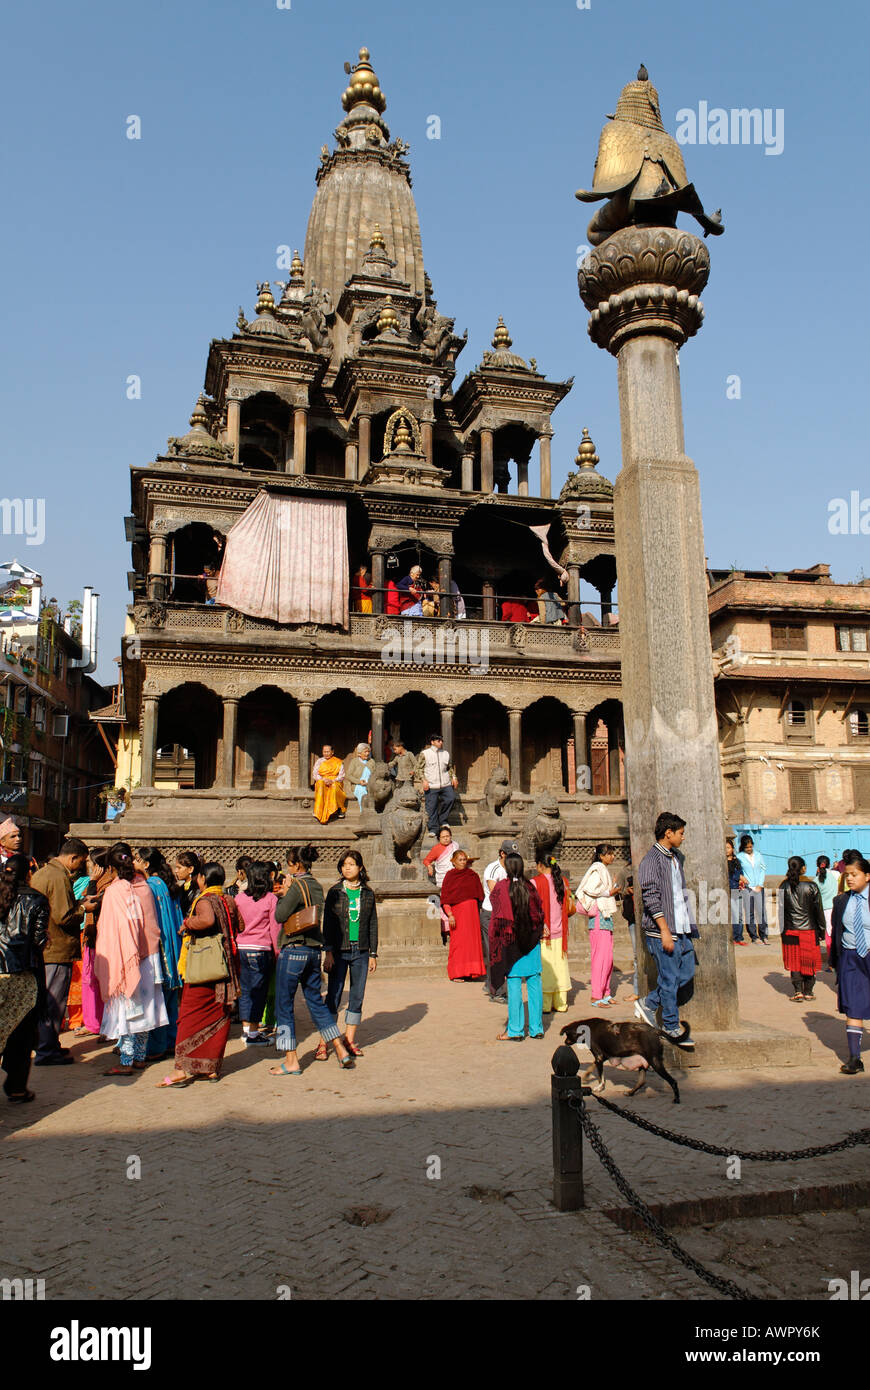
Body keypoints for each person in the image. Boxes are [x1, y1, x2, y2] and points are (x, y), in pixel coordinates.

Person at [270, 845, 353, 1075]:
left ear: (296, 865)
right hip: (313, 950)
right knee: (316, 1002)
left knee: (284, 1006)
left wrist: (285, 894)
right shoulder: (316, 884)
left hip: (294, 949)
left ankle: (291, 1059)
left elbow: (280, 916)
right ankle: (340, 1048)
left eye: (289, 864)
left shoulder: (296, 885)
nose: (288, 868)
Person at [158, 862, 240, 1086]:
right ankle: (210, 1068)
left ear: (203, 878)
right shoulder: (228, 899)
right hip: (225, 966)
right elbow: (239, 925)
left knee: (188, 1016)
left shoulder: (204, 900)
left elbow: (207, 920)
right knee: (218, 1015)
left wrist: (187, 923)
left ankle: (180, 1069)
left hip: (205, 966)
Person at [95, 843, 169, 1077]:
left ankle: (126, 1061)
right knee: (145, 1009)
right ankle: (138, 1057)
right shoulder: (144, 886)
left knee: (128, 1011)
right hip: (149, 956)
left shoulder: (116, 890)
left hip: (127, 957)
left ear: (111, 866)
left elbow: (116, 928)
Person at [634, 812, 697, 1048]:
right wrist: (664, 930)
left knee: (686, 973)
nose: (683, 837)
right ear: (668, 833)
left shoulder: (675, 858)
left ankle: (649, 1003)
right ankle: (671, 1026)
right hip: (662, 931)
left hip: (681, 928)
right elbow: (650, 897)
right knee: (669, 979)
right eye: (680, 833)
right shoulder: (651, 861)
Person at [31, 837, 93, 1066]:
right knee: (54, 1001)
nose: (80, 867)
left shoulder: (44, 873)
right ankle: (47, 1050)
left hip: (45, 947)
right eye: (81, 862)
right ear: (73, 858)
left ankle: (48, 1044)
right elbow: (63, 915)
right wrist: (84, 908)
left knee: (48, 1000)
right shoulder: (58, 877)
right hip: (56, 946)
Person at [0, 853, 48, 1103]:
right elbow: (39, 940)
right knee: (20, 1032)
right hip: (22, 975)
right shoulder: (36, 900)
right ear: (28, 872)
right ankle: (17, 1087)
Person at [323, 850, 378, 1058]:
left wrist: (373, 953)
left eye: (352, 864)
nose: (347, 868)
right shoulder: (335, 892)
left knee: (357, 996)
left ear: (360, 868)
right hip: (338, 950)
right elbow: (327, 924)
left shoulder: (368, 893)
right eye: (344, 864)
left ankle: (350, 1039)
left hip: (361, 951)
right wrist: (327, 951)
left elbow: (373, 924)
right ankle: (325, 1041)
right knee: (334, 996)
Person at [134, 847, 184, 1060]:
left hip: (159, 948)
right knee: (169, 998)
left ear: (146, 864)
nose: (134, 862)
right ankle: (171, 1041)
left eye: (137, 859)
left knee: (156, 999)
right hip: (171, 948)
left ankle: (157, 1045)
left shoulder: (150, 886)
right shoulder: (164, 884)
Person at [489, 853, 545, 1041]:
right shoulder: (530, 887)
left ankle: (515, 1030)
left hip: (511, 943)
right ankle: (537, 1028)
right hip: (531, 942)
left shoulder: (501, 888)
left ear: (506, 867)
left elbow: (497, 917)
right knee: (534, 983)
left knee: (513, 984)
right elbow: (539, 913)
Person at [830, 855, 870, 1075]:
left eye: (855, 875)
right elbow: (838, 931)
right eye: (848, 875)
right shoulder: (842, 901)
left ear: (867, 876)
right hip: (851, 957)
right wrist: (836, 960)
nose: (850, 879)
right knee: (853, 1005)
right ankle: (855, 1058)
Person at [234, 860, 279, 1046]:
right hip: (261, 949)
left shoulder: (239, 898)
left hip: (242, 948)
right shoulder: (271, 899)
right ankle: (253, 1033)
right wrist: (277, 952)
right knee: (258, 992)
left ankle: (246, 1030)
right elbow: (275, 929)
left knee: (245, 991)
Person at [577, 843, 620, 1007]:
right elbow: (590, 889)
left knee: (608, 958)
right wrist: (610, 892)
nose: (612, 857)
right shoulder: (598, 868)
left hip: (605, 917)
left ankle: (606, 992)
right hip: (598, 918)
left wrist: (611, 888)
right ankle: (596, 995)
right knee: (600, 958)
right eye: (609, 854)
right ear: (601, 856)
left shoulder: (603, 869)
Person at [778, 856, 825, 1002]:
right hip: (809, 930)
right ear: (803, 868)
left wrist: (782, 931)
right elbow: (818, 910)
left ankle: (798, 991)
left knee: (795, 961)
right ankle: (808, 991)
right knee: (809, 961)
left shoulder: (783, 886)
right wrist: (822, 929)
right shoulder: (811, 886)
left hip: (790, 929)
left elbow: (780, 912)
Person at [533, 854, 574, 1013]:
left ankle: (545, 1004)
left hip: (545, 933)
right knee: (560, 966)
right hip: (560, 931)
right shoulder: (563, 881)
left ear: (540, 865)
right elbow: (570, 900)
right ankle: (561, 1003)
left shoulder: (535, 882)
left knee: (546, 968)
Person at [80, 849, 112, 1035]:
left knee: (98, 981)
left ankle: (99, 1023)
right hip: (91, 937)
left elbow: (94, 904)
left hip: (101, 937)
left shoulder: (108, 884)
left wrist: (93, 881)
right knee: (89, 980)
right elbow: (84, 900)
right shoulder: (96, 882)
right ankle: (92, 1022)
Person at [441, 850, 485, 981]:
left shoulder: (473, 875)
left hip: (472, 914)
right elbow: (445, 899)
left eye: (464, 859)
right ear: (453, 862)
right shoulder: (450, 876)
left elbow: (480, 897)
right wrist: (450, 915)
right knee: (459, 944)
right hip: (458, 914)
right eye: (460, 860)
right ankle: (457, 973)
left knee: (472, 943)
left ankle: (472, 971)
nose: (462, 862)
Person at [480, 840, 515, 1002]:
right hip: (491, 914)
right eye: (509, 855)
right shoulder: (493, 869)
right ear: (502, 853)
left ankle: (491, 984)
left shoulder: (513, 868)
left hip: (507, 915)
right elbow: (496, 893)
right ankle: (497, 991)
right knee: (495, 952)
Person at [417, 733, 458, 835]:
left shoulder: (445, 753)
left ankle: (443, 820)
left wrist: (454, 777)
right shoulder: (425, 754)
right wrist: (423, 780)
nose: (441, 743)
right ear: (432, 742)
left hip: (445, 783)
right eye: (438, 741)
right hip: (431, 784)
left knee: (451, 798)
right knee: (431, 806)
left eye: (441, 741)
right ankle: (433, 828)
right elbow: (418, 769)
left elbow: (449, 767)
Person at [736, 833, 768, 943]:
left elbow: (763, 869)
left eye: (751, 846)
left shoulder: (758, 855)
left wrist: (760, 884)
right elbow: (739, 872)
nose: (749, 849)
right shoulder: (739, 857)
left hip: (759, 887)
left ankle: (764, 935)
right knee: (750, 913)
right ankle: (754, 936)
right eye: (747, 847)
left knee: (761, 911)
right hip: (747, 888)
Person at [312, 744, 347, 824]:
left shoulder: (338, 762)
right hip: (322, 780)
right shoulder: (319, 761)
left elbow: (342, 776)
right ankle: (318, 809)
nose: (326, 753)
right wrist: (323, 779)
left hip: (335, 781)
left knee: (334, 787)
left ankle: (338, 809)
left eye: (328, 752)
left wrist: (333, 780)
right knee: (320, 784)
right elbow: (315, 774)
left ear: (332, 752)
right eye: (324, 752)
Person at [813, 854, 838, 960]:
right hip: (836, 906)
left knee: (828, 934)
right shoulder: (836, 874)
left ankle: (831, 961)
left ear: (817, 866)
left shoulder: (815, 881)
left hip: (824, 909)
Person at [726, 838, 749, 943]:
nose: (726, 850)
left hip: (737, 889)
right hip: (727, 890)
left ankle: (738, 937)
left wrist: (741, 879)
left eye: (728, 848)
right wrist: (738, 876)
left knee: (738, 915)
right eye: (725, 848)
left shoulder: (736, 861)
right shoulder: (722, 862)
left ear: (732, 849)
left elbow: (741, 874)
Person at [621, 874, 639, 1000]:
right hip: (633, 920)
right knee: (637, 955)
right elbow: (620, 891)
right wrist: (627, 892)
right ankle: (637, 991)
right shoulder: (625, 871)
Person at [344, 743, 374, 810]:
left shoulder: (371, 761)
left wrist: (370, 782)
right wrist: (359, 781)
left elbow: (374, 774)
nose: (367, 753)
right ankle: (364, 811)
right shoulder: (354, 761)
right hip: (358, 785)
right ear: (359, 753)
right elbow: (348, 775)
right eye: (365, 752)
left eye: (368, 751)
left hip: (370, 784)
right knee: (363, 792)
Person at [173, 851, 201, 915]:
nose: (176, 871)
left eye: (179, 868)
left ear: (190, 869)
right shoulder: (181, 888)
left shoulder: (197, 889)